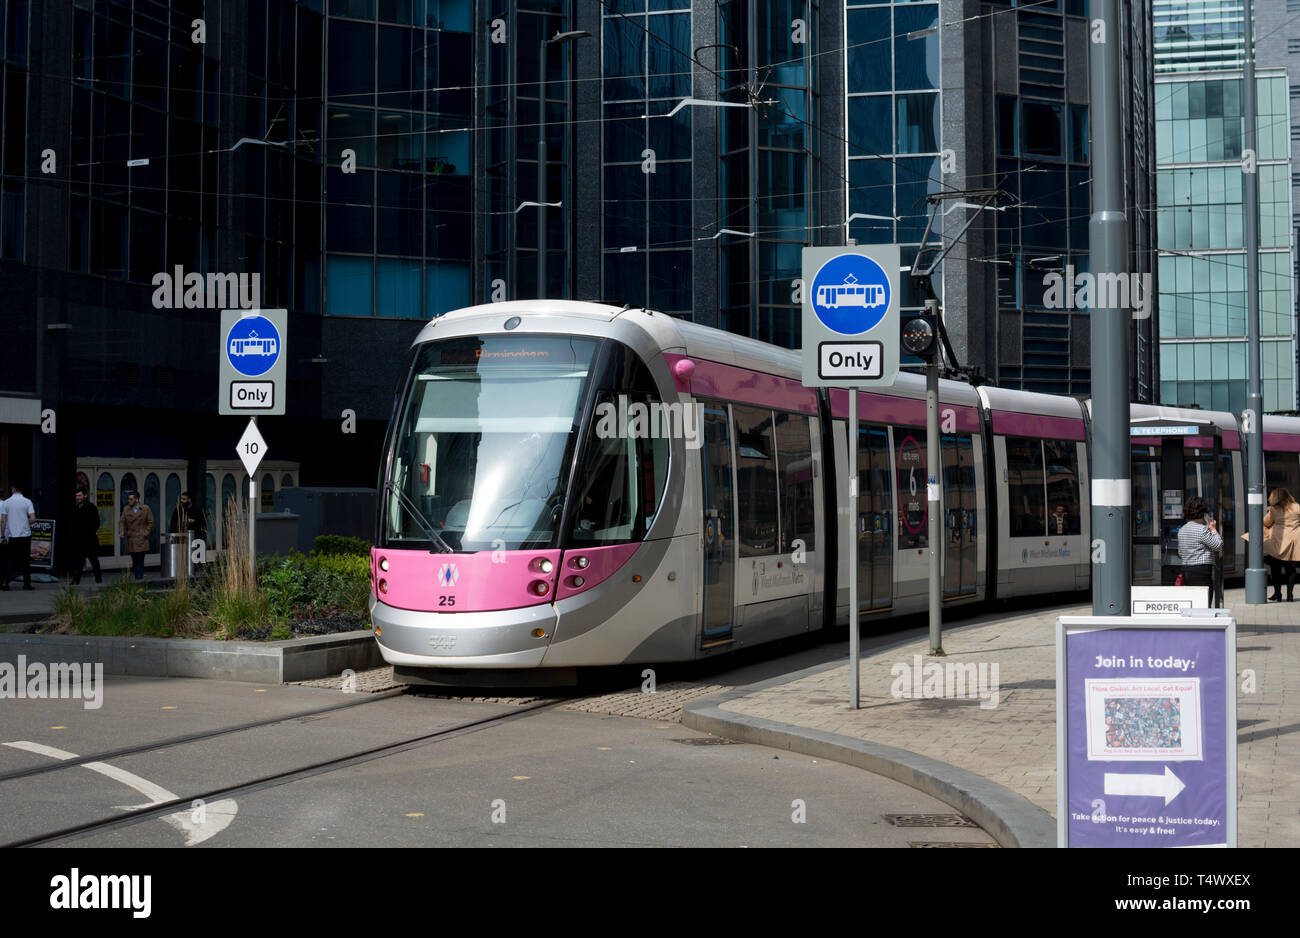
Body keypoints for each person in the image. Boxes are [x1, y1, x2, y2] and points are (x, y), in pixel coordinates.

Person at [1177, 496, 1222, 607]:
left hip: (1186, 570)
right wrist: (1213, 529)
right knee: (1204, 604)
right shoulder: (1202, 530)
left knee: (1192, 603)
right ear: (1203, 513)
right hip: (1201, 572)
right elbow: (1218, 545)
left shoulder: (1182, 530)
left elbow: (1180, 553)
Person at [1262, 487, 1300, 601]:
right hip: (1294, 543)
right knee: (1291, 570)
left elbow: (1265, 522)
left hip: (1279, 543)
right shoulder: (1297, 507)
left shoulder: (1274, 510)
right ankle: (1290, 595)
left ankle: (1278, 594)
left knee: (1275, 570)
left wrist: (1269, 511)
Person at [0, 483, 36, 591]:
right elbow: (33, 518)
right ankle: (27, 583)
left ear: (13, 489)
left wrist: (3, 536)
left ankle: (6, 583)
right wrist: (25, 523)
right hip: (25, 535)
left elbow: (3, 521)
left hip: (13, 535)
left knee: (11, 560)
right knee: (25, 560)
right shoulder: (27, 501)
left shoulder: (6, 503)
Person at [70, 486, 103, 585]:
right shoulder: (75, 508)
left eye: (79, 495)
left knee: (93, 560)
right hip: (78, 540)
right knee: (78, 561)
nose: (77, 497)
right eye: (76, 495)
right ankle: (76, 580)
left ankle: (98, 580)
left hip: (89, 540)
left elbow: (96, 523)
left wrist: (88, 532)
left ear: (85, 495)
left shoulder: (91, 507)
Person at [118, 491, 154, 581]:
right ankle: (137, 578)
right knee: (134, 561)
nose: (129, 501)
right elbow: (122, 521)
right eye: (128, 499)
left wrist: (145, 533)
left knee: (139, 560)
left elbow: (151, 522)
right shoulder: (126, 509)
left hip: (141, 538)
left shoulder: (145, 508)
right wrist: (122, 531)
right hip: (132, 538)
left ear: (137, 499)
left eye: (131, 499)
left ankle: (139, 579)